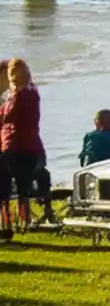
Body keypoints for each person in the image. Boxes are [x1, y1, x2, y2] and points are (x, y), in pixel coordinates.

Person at [0, 60, 43, 239]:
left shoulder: (17, 96)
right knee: (23, 188)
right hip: (31, 145)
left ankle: (6, 223)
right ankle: (24, 222)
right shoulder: (33, 92)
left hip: (13, 144)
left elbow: (6, 116)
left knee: (4, 188)